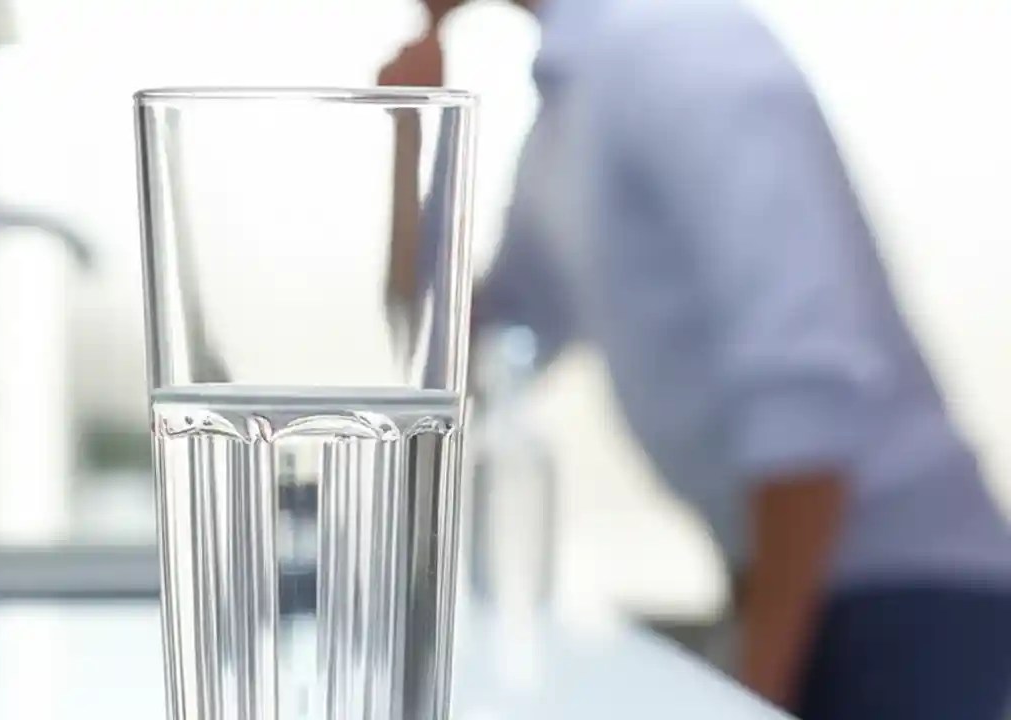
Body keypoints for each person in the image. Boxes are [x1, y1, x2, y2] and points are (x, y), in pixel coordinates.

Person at [380, 1, 1011, 718]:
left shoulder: (682, 46)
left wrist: (757, 682)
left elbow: (807, 379)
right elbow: (449, 352)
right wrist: (415, 134)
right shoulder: (571, 108)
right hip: (803, 586)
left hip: (908, 598)